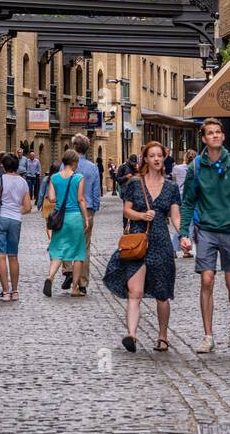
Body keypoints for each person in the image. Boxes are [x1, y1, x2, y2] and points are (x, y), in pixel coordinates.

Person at [178, 119, 230, 353]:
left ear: (222, 136)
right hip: (207, 231)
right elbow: (188, 201)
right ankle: (208, 336)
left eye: (218, 132)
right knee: (207, 280)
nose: (214, 136)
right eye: (210, 133)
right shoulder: (197, 167)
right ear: (204, 139)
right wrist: (183, 233)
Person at [103, 142, 181, 353]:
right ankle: (132, 334)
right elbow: (127, 211)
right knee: (135, 291)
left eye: (160, 156)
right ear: (145, 159)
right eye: (152, 156)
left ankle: (162, 337)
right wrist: (141, 215)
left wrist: (183, 235)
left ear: (164, 159)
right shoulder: (135, 184)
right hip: (138, 242)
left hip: (161, 242)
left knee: (162, 293)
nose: (156, 159)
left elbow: (175, 215)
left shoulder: (171, 187)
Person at [43, 149, 89, 298]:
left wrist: (61, 199)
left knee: (58, 250)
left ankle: (50, 276)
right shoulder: (78, 177)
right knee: (78, 254)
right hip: (75, 217)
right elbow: (81, 199)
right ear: (75, 162)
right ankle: (75, 288)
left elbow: (51, 198)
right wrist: (86, 218)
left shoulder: (54, 178)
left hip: (60, 218)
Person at [60, 133, 100, 294]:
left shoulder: (66, 167)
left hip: (69, 209)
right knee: (84, 247)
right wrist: (94, 209)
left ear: (74, 148)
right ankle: (82, 282)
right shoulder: (93, 167)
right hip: (87, 209)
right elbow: (96, 191)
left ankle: (69, 269)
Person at [0, 152, 32, 301]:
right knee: (13, 256)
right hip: (16, 220)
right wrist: (16, 210)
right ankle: (15, 291)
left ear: (3, 165)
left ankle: (5, 292)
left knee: (1, 256)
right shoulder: (23, 182)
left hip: (1, 218)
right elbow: (27, 207)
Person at [170, 148, 197, 257]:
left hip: (178, 196)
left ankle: (177, 249)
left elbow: (174, 182)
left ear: (185, 157)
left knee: (181, 223)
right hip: (191, 197)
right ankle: (184, 249)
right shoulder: (196, 169)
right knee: (188, 223)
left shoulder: (176, 168)